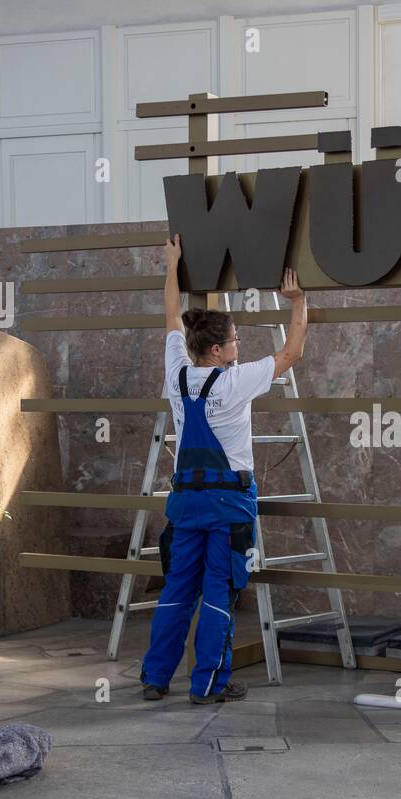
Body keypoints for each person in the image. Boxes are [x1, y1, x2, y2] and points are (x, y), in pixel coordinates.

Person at [140, 235, 308, 702]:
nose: (239, 344)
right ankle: (208, 683)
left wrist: (172, 264)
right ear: (216, 350)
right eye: (234, 339)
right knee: (220, 590)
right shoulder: (235, 382)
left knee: (177, 589)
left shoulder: (177, 372)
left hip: (186, 504)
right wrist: (299, 302)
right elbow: (292, 354)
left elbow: (171, 315)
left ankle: (156, 679)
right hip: (229, 504)